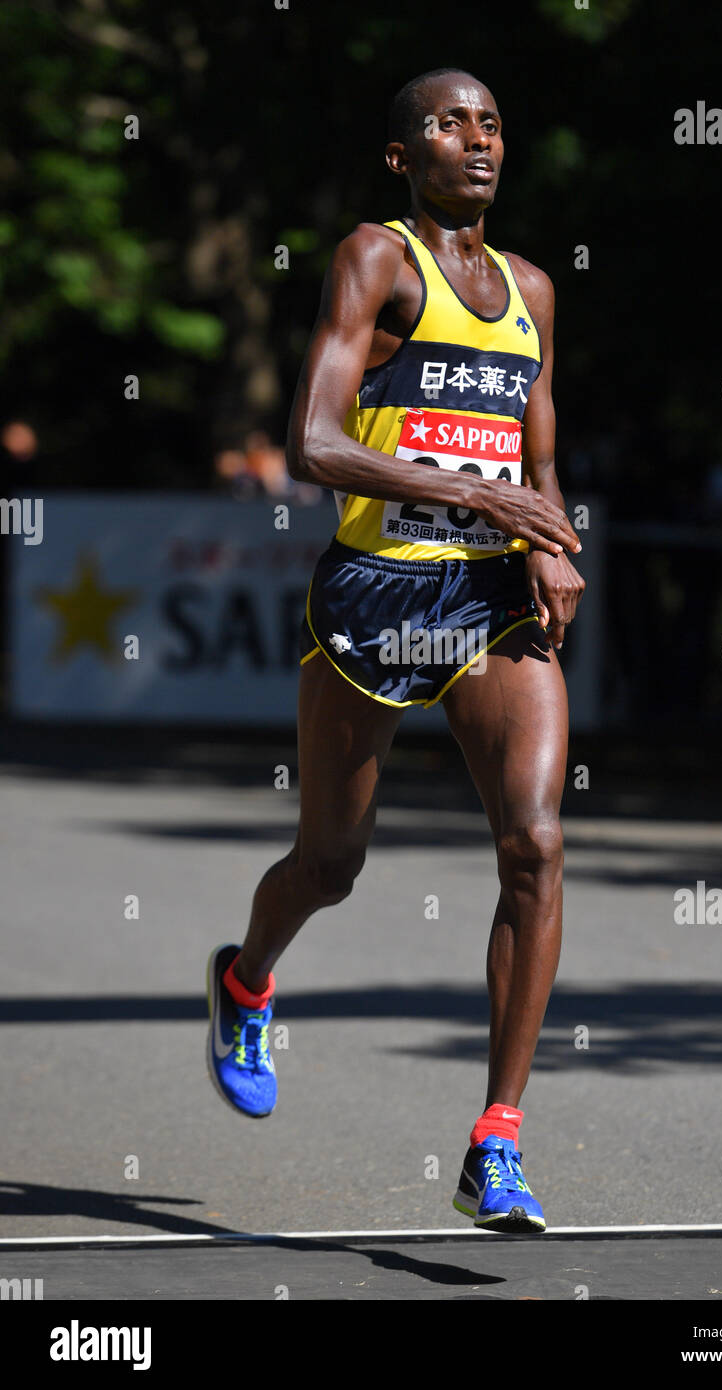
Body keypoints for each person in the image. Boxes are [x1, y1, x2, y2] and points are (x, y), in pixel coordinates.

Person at [206, 67, 586, 1234]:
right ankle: (246, 980)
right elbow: (313, 442)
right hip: (377, 592)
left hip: (487, 603)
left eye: (489, 124)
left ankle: (496, 1143)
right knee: (330, 863)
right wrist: (471, 492)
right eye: (446, 123)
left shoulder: (528, 288)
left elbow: (533, 451)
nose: (474, 141)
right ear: (399, 155)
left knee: (534, 841)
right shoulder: (376, 259)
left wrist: (549, 535)